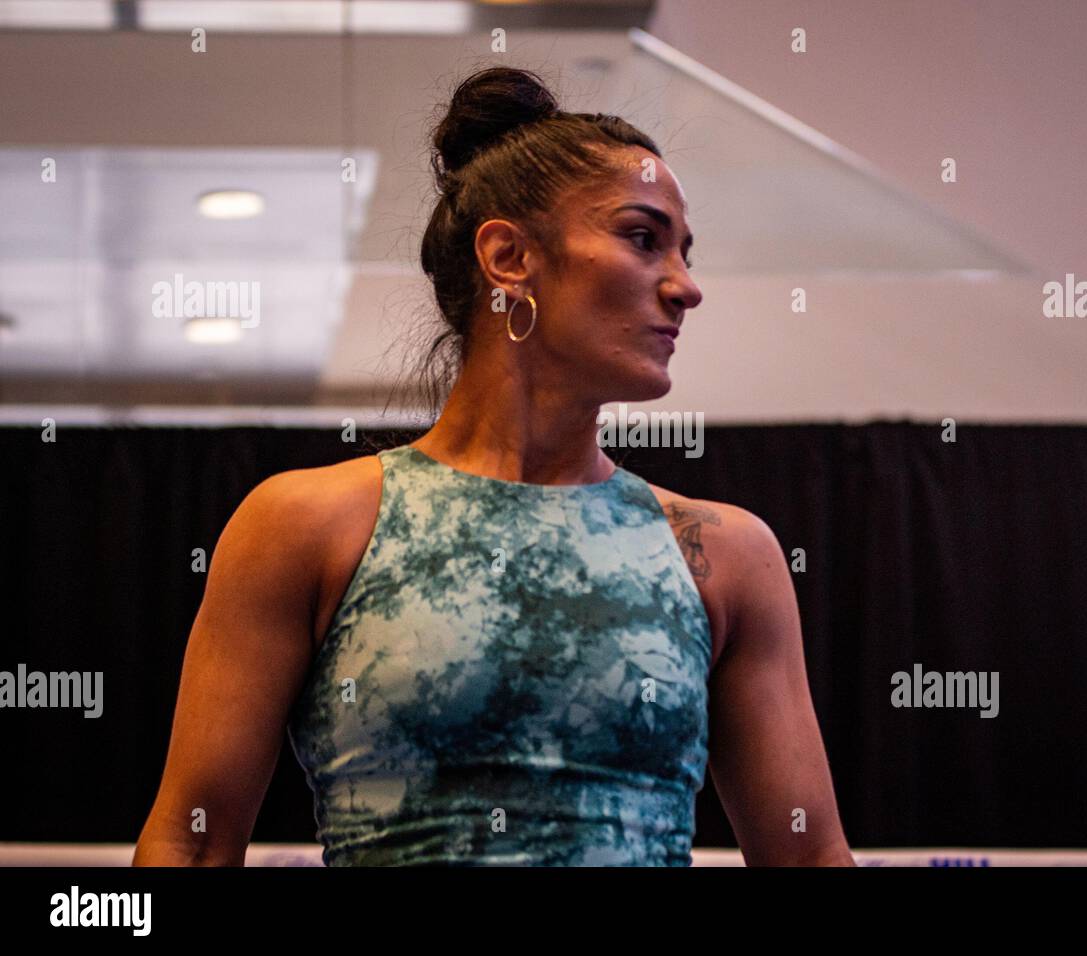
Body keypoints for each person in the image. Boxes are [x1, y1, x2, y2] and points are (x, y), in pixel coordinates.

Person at [133, 66, 853, 867]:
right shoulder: (306, 525)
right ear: (509, 256)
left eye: (684, 251)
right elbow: (190, 846)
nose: (686, 287)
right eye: (643, 238)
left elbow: (811, 858)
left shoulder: (725, 555)